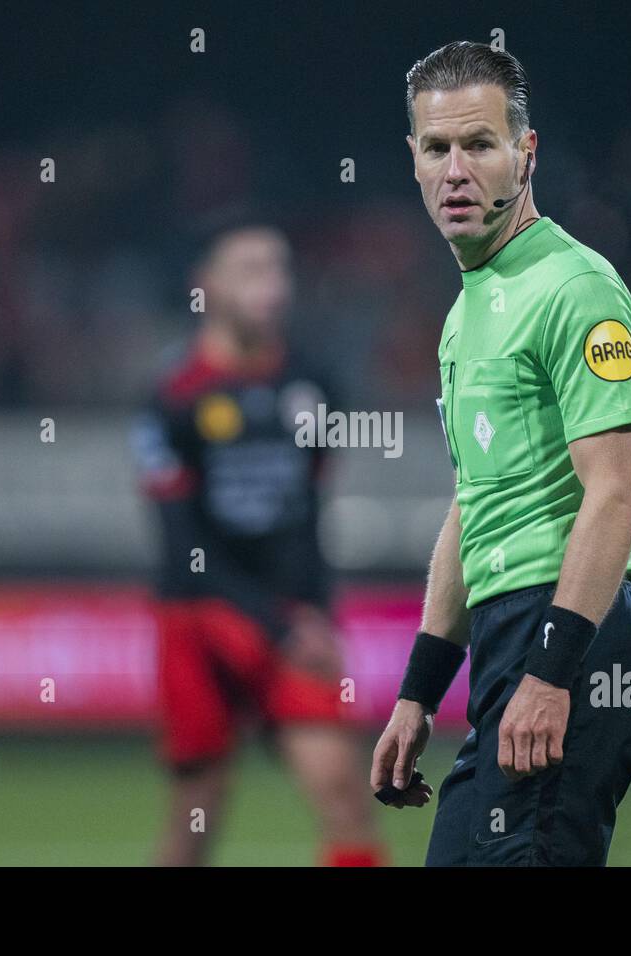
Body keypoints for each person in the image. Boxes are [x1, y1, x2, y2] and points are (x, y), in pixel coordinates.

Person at [370, 40, 631, 866]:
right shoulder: (467, 313)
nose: (455, 170)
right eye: (436, 148)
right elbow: (477, 506)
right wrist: (419, 693)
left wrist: (551, 674)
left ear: (525, 153)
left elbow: (615, 493)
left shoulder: (576, 287)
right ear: (413, 161)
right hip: (510, 642)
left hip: (571, 634)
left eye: (479, 145)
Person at [133, 214, 384, 866]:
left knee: (343, 796)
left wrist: (315, 615)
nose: (270, 287)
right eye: (249, 270)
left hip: (289, 618)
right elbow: (181, 542)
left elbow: (309, 516)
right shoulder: (172, 398)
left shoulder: (312, 384)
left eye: (278, 269)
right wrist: (276, 626)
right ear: (206, 287)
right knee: (196, 814)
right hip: (201, 612)